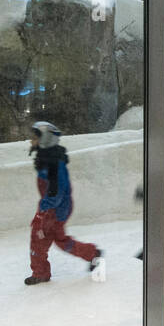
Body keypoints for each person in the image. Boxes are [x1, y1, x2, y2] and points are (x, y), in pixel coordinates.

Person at [26, 121, 102, 285]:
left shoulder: (53, 163)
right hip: (57, 207)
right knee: (61, 241)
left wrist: (43, 211)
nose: (31, 141)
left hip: (54, 208)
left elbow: (56, 192)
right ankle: (93, 254)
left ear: (46, 138)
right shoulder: (48, 158)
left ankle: (40, 273)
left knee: (38, 238)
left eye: (34, 137)